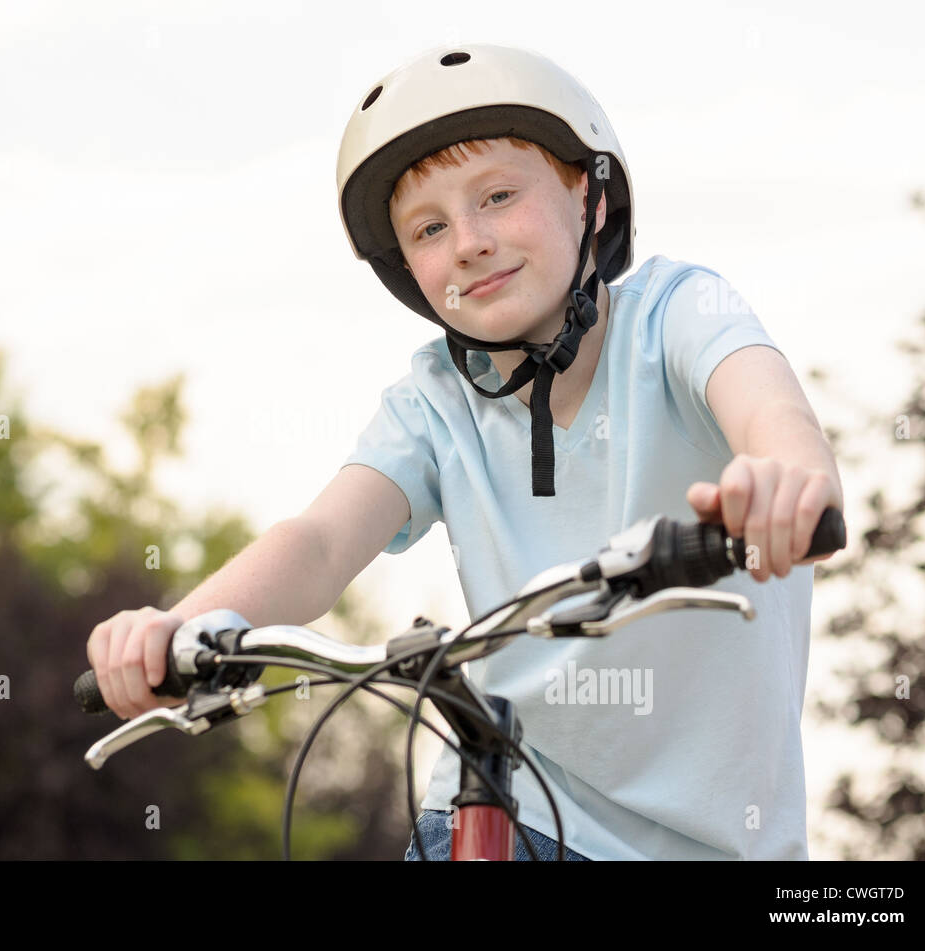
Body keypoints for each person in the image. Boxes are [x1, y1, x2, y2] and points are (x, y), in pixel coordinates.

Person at [86, 43, 844, 861]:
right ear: (408, 267)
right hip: (506, 810)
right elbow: (320, 541)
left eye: (499, 195)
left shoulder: (680, 313)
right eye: (430, 226)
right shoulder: (433, 403)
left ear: (587, 197)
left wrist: (785, 484)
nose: (470, 241)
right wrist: (179, 625)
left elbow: (774, 416)